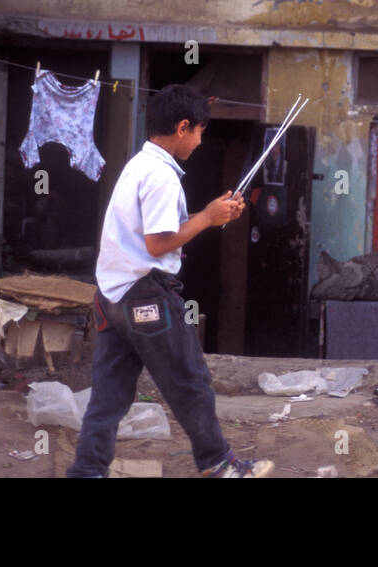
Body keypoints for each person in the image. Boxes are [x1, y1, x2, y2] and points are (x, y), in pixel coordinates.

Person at [67, 85, 273, 478]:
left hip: (111, 295)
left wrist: (211, 215)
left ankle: (87, 471)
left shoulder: (138, 166)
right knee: (189, 381)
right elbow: (158, 243)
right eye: (199, 131)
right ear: (182, 127)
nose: (199, 141)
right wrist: (209, 218)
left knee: (109, 396)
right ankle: (218, 464)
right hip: (145, 294)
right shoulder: (161, 176)